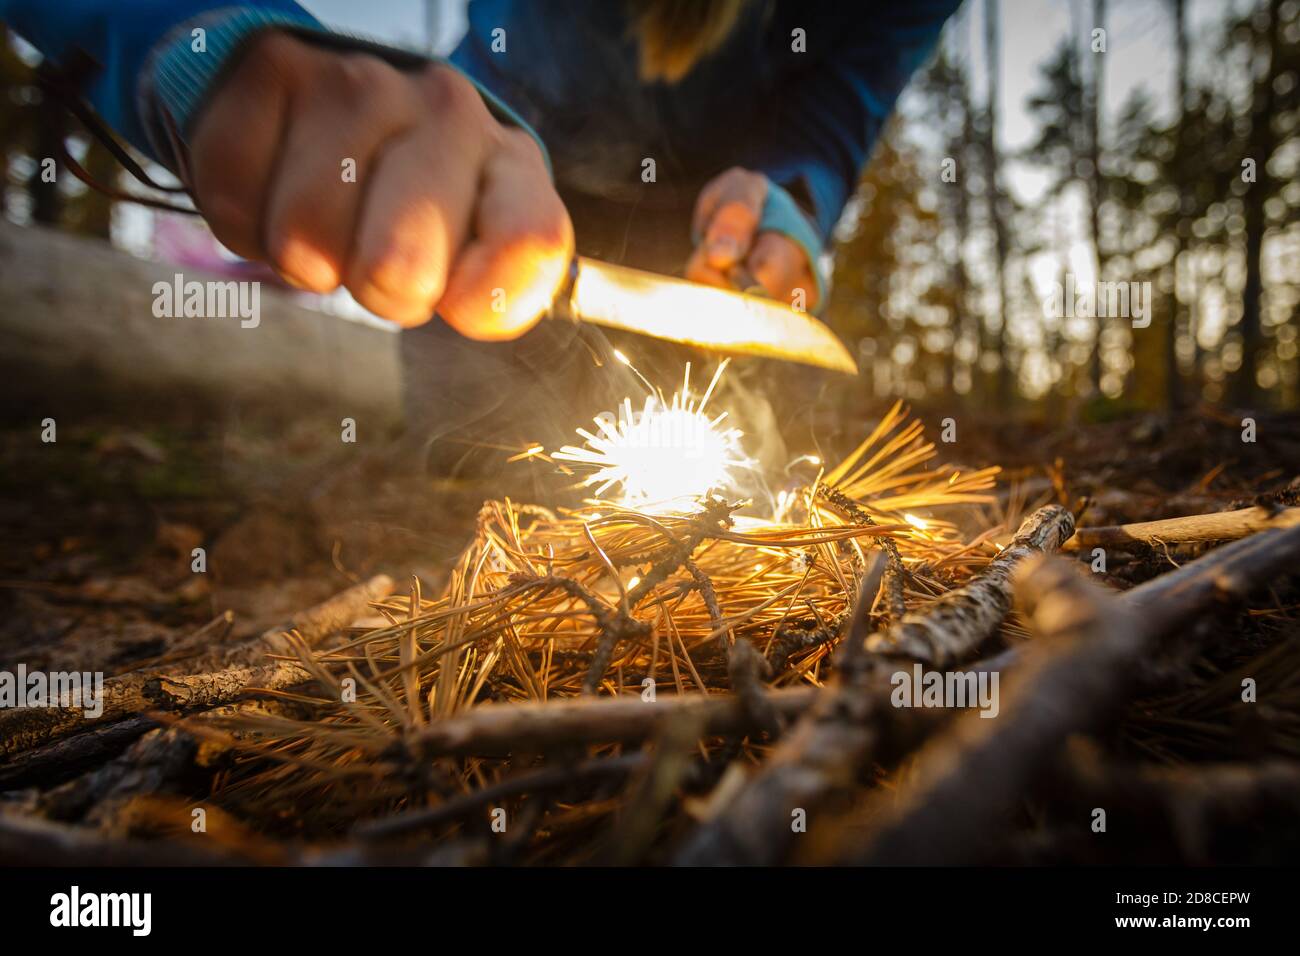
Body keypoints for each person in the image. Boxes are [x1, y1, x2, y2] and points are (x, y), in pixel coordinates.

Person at [1, 0, 960, 480]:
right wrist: (206, 38)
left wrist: (792, 195)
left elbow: (843, 101)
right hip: (479, 176)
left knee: (737, 483)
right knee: (482, 484)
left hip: (708, 238)